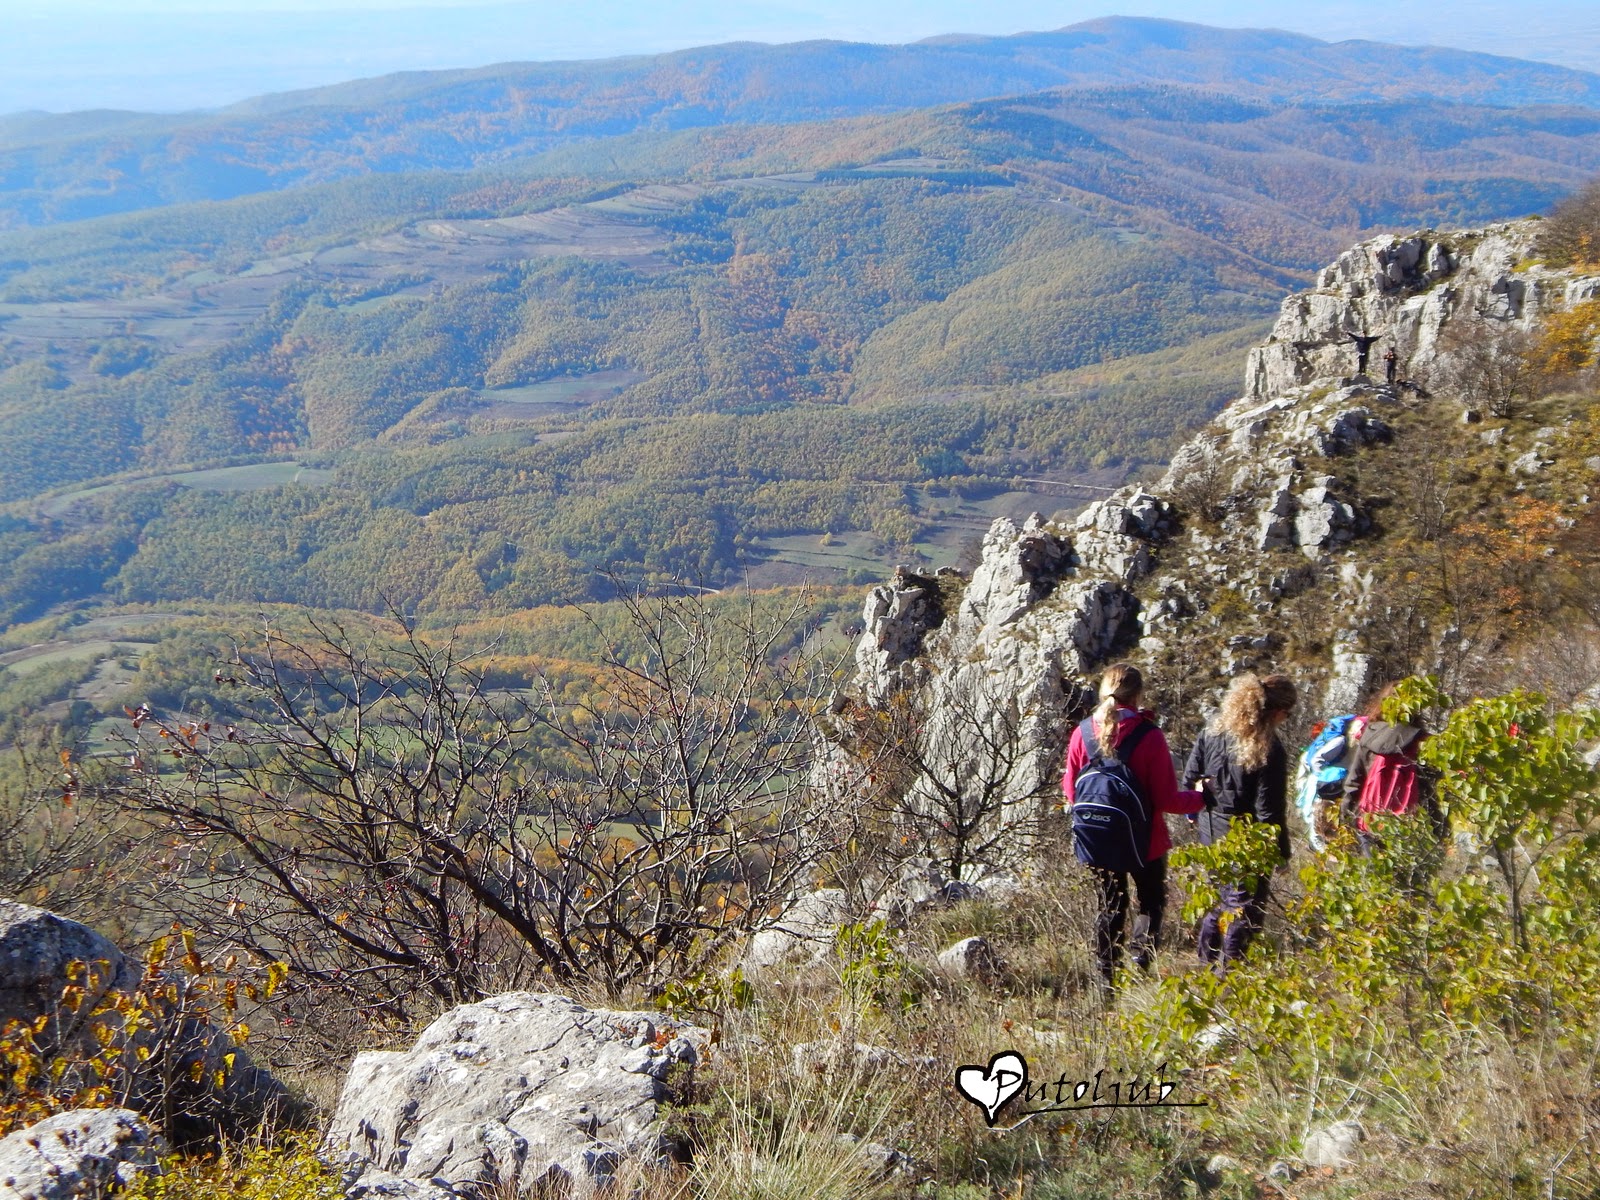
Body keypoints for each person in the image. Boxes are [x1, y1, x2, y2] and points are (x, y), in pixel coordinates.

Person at [1062, 663, 1204, 987]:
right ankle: (1141, 963)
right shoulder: (1149, 736)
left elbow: (1071, 791)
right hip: (1145, 841)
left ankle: (1105, 982)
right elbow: (1167, 800)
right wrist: (1201, 799)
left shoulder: (1082, 733)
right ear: (1138, 695)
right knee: (1150, 901)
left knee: (1109, 906)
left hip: (1096, 839)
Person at [1183, 673, 1298, 973]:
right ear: (1276, 711)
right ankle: (1230, 975)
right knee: (1243, 909)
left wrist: (1198, 811)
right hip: (1247, 839)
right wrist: (1281, 854)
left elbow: (1189, 780)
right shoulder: (1269, 750)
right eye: (1289, 712)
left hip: (1210, 831)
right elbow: (1269, 812)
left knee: (1218, 901)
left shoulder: (1212, 732)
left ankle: (1206, 966)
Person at [1341, 685, 1447, 853]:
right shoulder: (1424, 742)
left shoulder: (1370, 734)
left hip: (1370, 822)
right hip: (1411, 826)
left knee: (1374, 876)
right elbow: (1432, 789)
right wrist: (1440, 829)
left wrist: (1346, 818)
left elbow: (1354, 781)